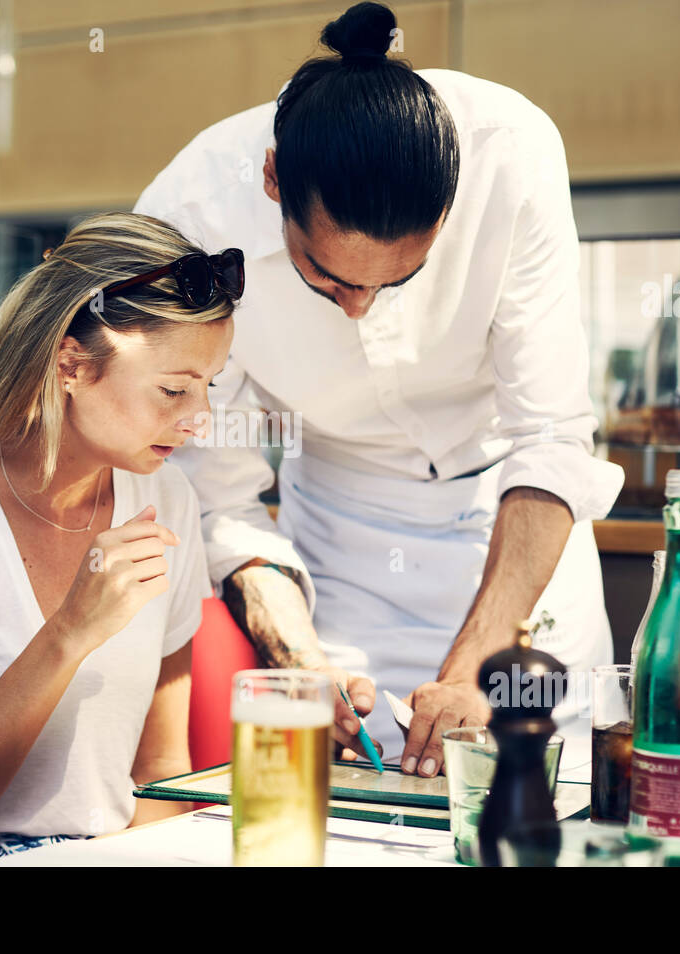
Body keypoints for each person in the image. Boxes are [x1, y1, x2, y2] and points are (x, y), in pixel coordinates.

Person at [134, 1, 624, 774]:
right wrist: (301, 659)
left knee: (538, 797)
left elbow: (551, 435)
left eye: (401, 278)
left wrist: (474, 669)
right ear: (271, 181)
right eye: (326, 278)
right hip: (339, 534)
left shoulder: (513, 153)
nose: (359, 303)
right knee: (356, 809)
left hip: (516, 522)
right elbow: (216, 495)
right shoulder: (190, 215)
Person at [0, 212, 240, 861]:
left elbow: (162, 769)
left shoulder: (167, 500)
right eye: (173, 390)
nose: (200, 421)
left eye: (209, 386)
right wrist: (69, 632)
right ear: (71, 363)